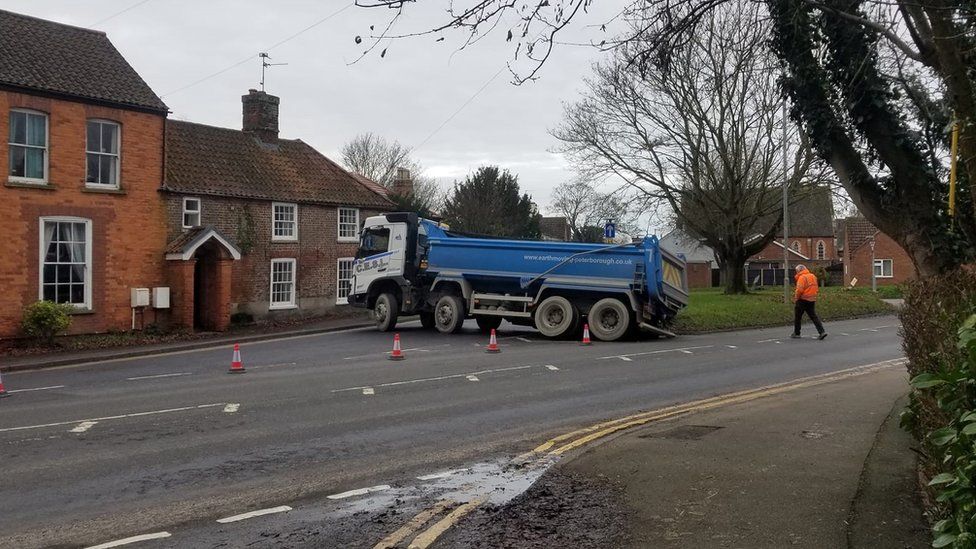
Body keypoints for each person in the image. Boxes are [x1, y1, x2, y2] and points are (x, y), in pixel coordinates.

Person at [792, 264, 827, 340]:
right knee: (814, 316)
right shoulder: (813, 276)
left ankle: (797, 333)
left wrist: (796, 298)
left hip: (802, 299)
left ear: (799, 270)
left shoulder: (802, 277)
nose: (796, 273)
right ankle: (822, 332)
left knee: (798, 317)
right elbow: (816, 287)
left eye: (796, 271)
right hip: (811, 299)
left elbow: (799, 290)